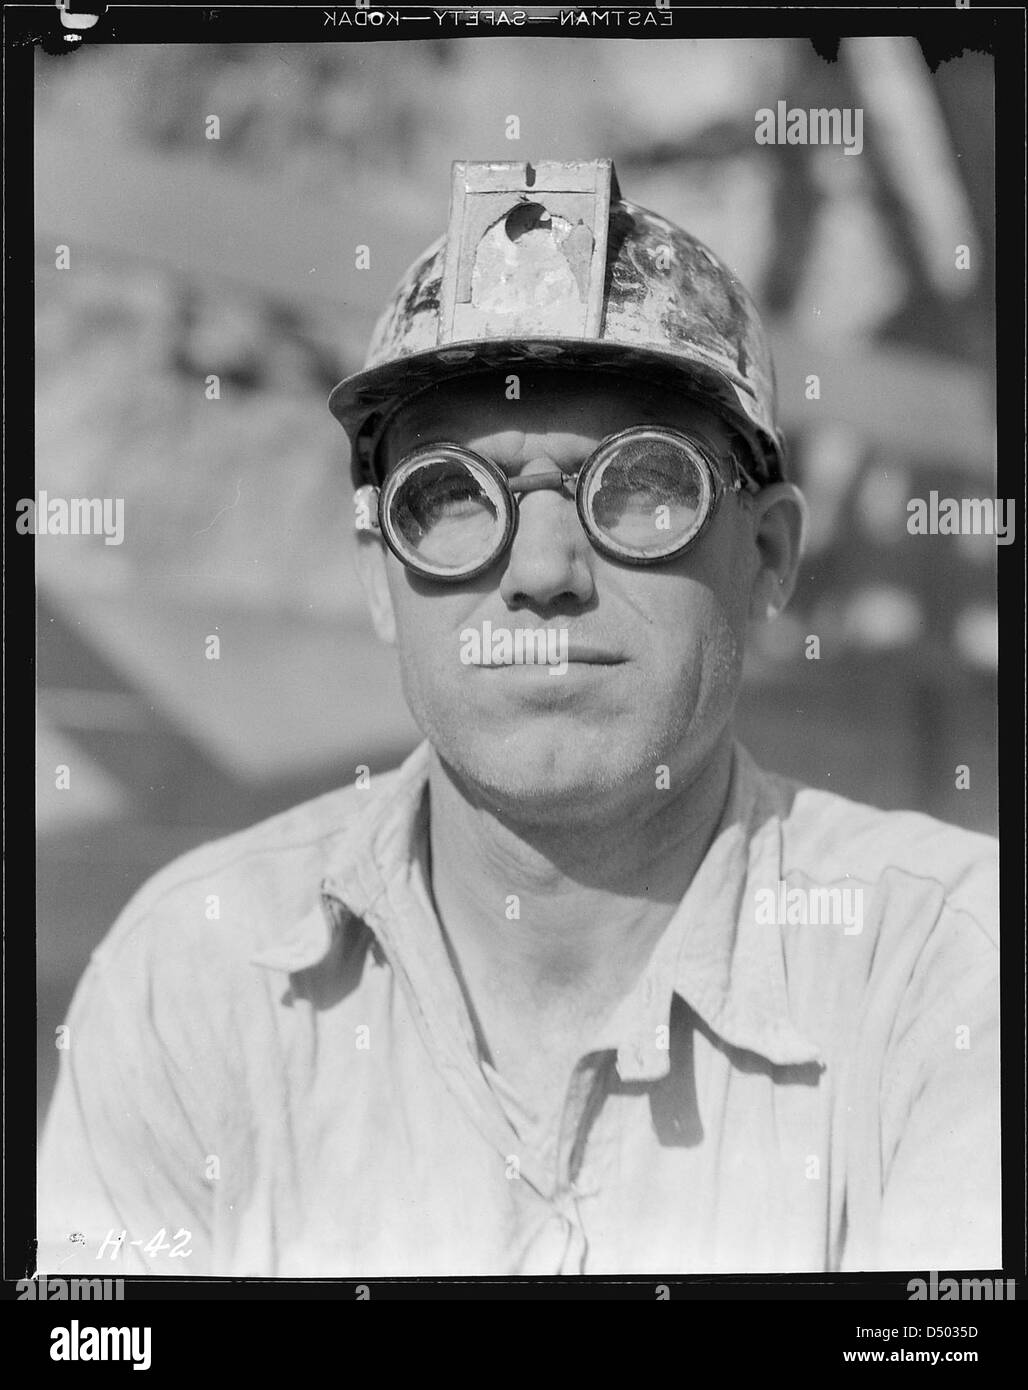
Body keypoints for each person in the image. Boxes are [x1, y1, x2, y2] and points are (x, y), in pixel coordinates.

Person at [38, 160, 1000, 1277]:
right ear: (378, 578)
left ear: (769, 557)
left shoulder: (947, 970)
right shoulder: (190, 979)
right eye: (450, 495)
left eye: (642, 484)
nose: (542, 569)